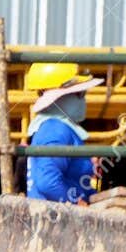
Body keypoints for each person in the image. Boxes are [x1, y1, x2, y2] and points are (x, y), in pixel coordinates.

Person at [23, 62, 99, 204]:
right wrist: (78, 204)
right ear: (60, 97)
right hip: (56, 220)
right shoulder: (55, 130)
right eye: (79, 94)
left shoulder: (55, 127)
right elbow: (48, 183)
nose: (83, 99)